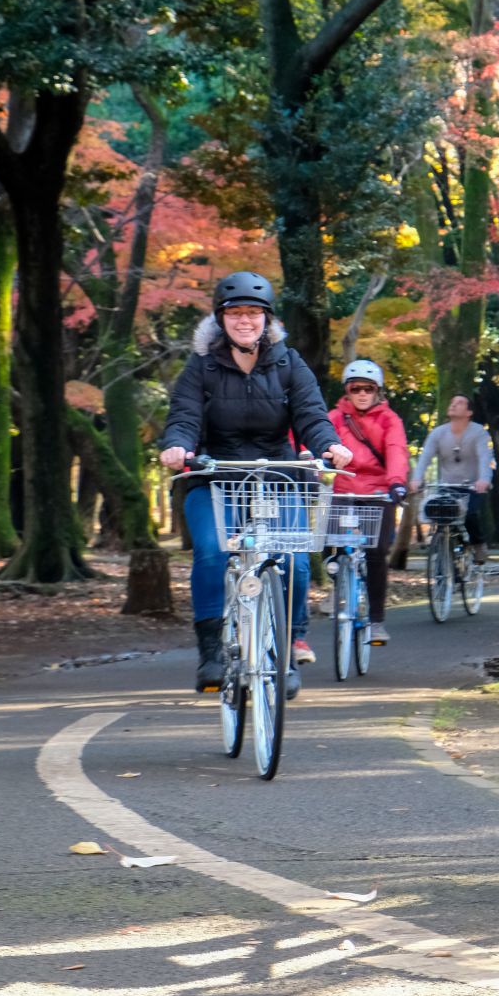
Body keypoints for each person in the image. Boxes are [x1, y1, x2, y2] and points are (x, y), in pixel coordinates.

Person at [159, 272, 351, 692]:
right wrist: (177, 446)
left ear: (267, 319)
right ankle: (211, 650)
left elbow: (311, 415)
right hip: (214, 476)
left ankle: (288, 645)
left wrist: (330, 445)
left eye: (253, 313)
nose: (244, 320)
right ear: (221, 318)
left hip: (276, 476)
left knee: (295, 560)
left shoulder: (288, 362)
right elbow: (184, 416)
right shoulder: (201, 366)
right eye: (235, 313)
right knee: (211, 552)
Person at [327, 358, 410, 645]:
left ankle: (376, 621)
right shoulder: (334, 417)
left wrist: (397, 482)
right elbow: (312, 441)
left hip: (378, 492)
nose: (362, 394)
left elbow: (396, 450)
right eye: (355, 388)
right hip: (343, 489)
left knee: (376, 553)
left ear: (377, 391)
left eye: (368, 388)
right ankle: (338, 584)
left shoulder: (390, 419)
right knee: (329, 543)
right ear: (347, 391)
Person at [409, 394, 492, 563]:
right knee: (439, 516)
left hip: (471, 487)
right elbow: (425, 458)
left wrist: (484, 479)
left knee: (469, 515)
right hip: (447, 486)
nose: (453, 405)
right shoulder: (438, 433)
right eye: (452, 402)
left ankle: (478, 544)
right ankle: (443, 555)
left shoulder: (479, 432)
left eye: (459, 403)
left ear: (469, 412)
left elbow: (485, 457)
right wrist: (417, 478)